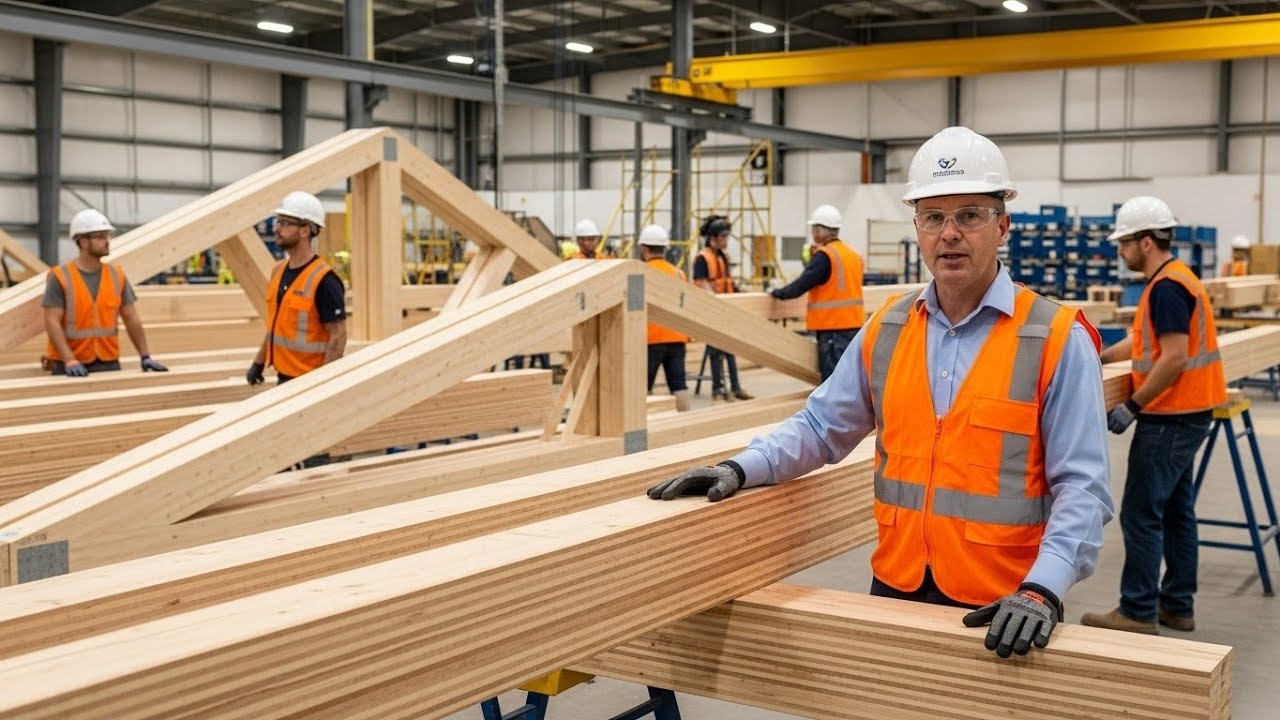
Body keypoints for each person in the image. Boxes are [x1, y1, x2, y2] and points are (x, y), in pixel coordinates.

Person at [649, 126, 1115, 660]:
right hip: (895, 588)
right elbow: (822, 428)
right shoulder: (888, 329)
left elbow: (1083, 486)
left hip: (1004, 608)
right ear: (917, 228)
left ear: (1002, 226)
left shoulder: (1055, 337)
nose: (950, 234)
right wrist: (740, 467)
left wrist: (1044, 589)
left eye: (969, 215)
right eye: (934, 217)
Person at [1081, 196, 1226, 636]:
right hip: (1190, 411)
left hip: (1169, 416)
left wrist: (1133, 404)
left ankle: (1138, 610)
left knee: (1140, 514)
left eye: (1123, 243)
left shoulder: (1166, 287)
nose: (1119, 252)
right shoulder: (1174, 280)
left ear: (1146, 242)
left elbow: (1175, 357)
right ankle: (1177, 605)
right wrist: (1100, 357)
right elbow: (1145, 343)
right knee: (1177, 511)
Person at [42, 208, 168, 377]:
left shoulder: (117, 275)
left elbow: (131, 317)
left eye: (108, 236)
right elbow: (52, 322)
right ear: (83, 242)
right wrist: (69, 359)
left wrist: (145, 356)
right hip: (69, 366)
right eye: (100, 237)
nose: (107, 241)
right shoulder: (60, 276)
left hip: (108, 362)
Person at [246, 191, 347, 388]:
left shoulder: (324, 280)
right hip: (283, 377)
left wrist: (323, 384)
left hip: (308, 381)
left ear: (305, 230)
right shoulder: (278, 270)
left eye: (285, 223)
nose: (277, 228)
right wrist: (259, 361)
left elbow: (338, 335)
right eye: (278, 221)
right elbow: (278, 324)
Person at [771, 204, 866, 381]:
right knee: (850, 380)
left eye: (814, 229)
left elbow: (801, 285)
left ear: (823, 231)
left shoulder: (825, 256)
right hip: (854, 325)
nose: (813, 234)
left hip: (832, 330)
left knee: (832, 383)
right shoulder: (853, 254)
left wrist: (777, 293)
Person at [693, 215, 752, 401]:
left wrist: (739, 292)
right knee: (716, 350)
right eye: (723, 237)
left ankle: (735, 388)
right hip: (712, 309)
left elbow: (727, 281)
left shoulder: (724, 257)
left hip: (726, 307)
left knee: (730, 348)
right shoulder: (703, 258)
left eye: (727, 236)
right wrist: (715, 301)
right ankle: (718, 389)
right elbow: (700, 282)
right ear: (713, 238)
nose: (726, 240)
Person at [639, 224, 691, 412]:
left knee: (643, 385)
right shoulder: (679, 273)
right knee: (678, 384)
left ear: (644, 248)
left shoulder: (639, 273)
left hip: (650, 338)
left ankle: (644, 421)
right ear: (664, 248)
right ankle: (685, 424)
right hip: (677, 337)